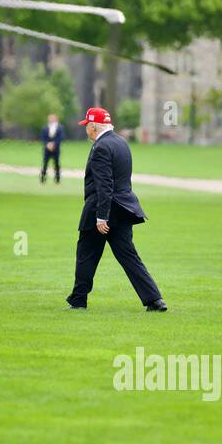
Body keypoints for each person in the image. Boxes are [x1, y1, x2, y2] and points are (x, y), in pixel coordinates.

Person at [66, 106, 166, 312]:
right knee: (129, 256)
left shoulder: (101, 147)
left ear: (93, 126)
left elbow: (105, 185)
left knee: (86, 254)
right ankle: (155, 300)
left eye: (87, 126)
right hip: (124, 209)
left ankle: (78, 300)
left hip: (102, 210)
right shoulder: (121, 142)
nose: (86, 130)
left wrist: (101, 217)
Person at [40, 113, 64, 184]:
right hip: (47, 149)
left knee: (56, 164)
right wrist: (47, 144)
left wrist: (54, 144)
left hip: (56, 149)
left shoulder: (60, 128)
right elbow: (43, 137)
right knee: (45, 163)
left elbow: (60, 137)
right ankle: (43, 178)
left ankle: (57, 179)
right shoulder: (45, 128)